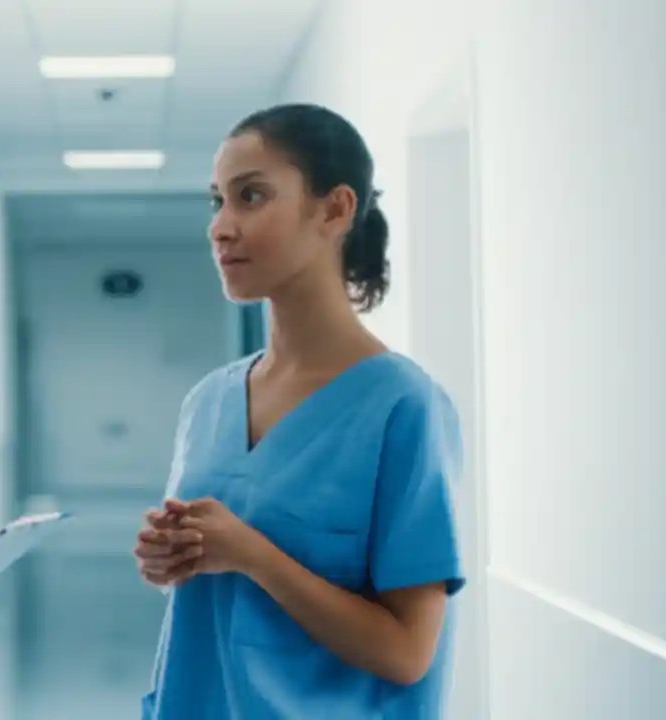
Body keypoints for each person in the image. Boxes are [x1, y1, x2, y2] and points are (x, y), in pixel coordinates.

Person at [133, 103, 465, 719]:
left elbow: (407, 652)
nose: (221, 227)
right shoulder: (208, 401)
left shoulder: (403, 406)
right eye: (217, 202)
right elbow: (217, 595)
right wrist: (171, 561)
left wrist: (251, 553)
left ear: (335, 209)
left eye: (251, 196)